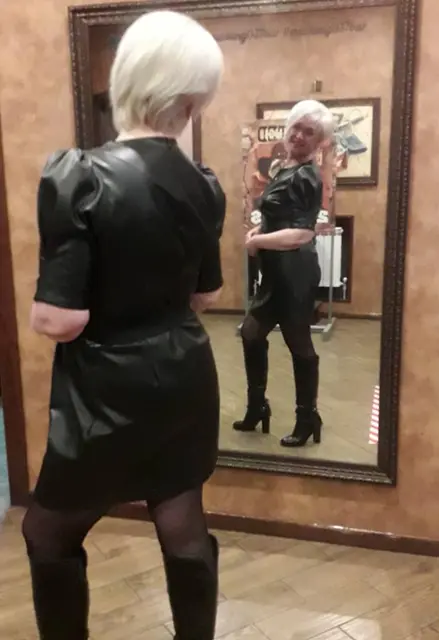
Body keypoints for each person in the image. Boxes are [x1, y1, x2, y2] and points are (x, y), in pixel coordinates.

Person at [22, 11, 225, 640]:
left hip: (104, 390)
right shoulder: (206, 184)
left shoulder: (77, 175)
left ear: (126, 80)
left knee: (46, 530)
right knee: (180, 519)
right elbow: (207, 295)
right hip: (185, 372)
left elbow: (60, 320)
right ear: (190, 100)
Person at [233, 100, 334, 448]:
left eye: (310, 132)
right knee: (251, 333)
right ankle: (257, 407)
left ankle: (307, 417)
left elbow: (303, 233)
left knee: (298, 341)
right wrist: (259, 230)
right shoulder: (284, 168)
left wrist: (258, 240)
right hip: (275, 271)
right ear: (287, 127)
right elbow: (280, 216)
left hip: (295, 272)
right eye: (297, 127)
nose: (300, 135)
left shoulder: (307, 176)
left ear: (319, 141)